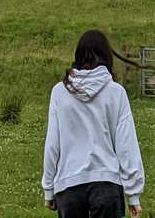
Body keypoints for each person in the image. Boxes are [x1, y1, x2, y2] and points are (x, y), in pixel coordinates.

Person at [42, 30, 145, 218]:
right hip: (107, 184)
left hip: (68, 185)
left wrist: (49, 188)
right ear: (106, 55)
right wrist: (133, 194)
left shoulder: (59, 92)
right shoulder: (116, 92)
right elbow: (126, 145)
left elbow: (52, 145)